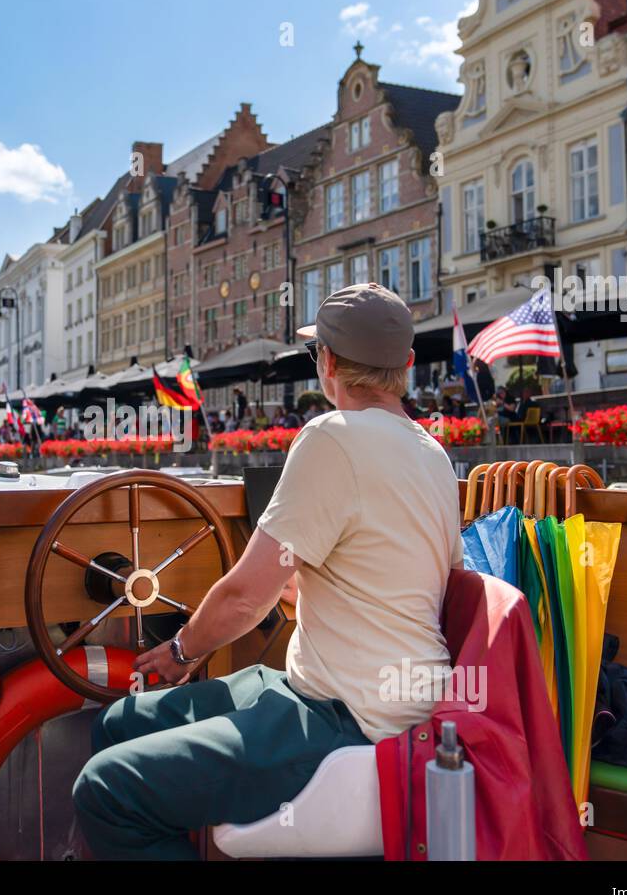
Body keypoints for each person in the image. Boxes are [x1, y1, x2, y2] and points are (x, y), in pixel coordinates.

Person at [73, 283, 461, 860]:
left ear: (326, 363)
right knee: (121, 723)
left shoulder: (333, 437)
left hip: (349, 717)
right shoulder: (434, 455)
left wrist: (182, 651)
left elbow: (242, 599)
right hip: (370, 698)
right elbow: (389, 576)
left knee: (105, 788)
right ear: (406, 364)